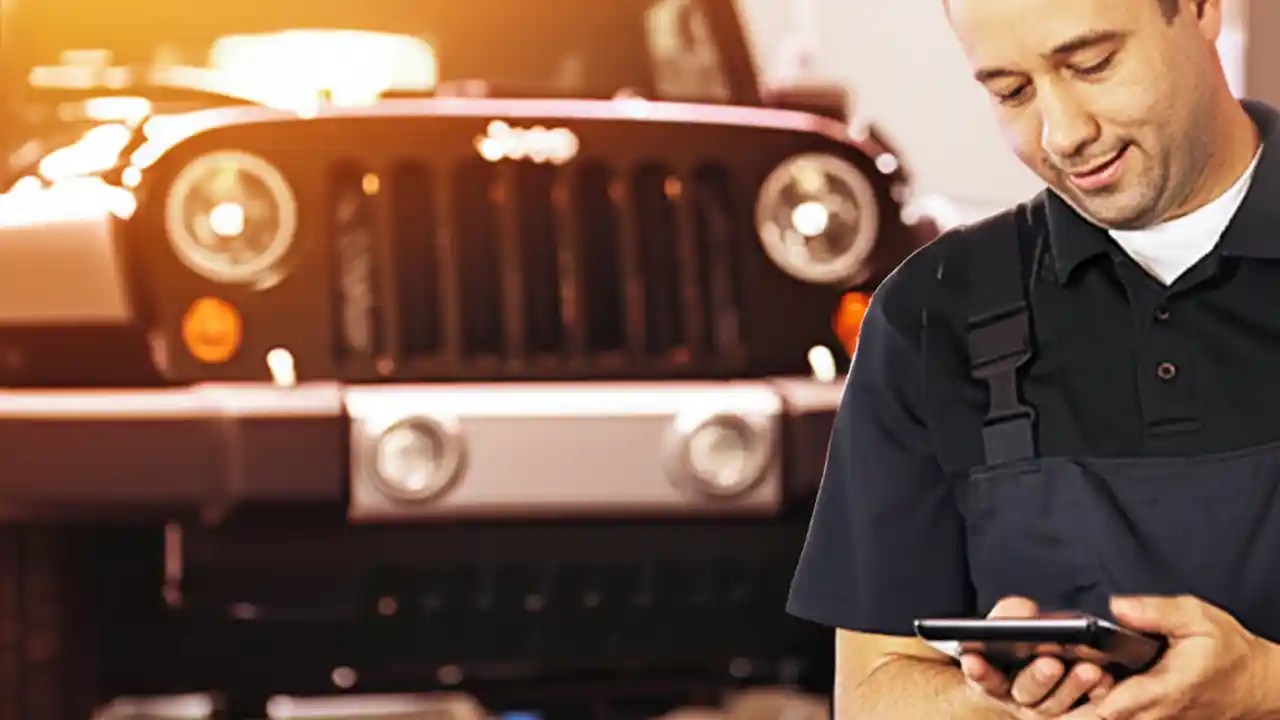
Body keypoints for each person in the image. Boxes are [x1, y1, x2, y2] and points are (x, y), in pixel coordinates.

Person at [785, 0, 1280, 717]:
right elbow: (872, 693)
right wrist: (1023, 701)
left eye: (1093, 64)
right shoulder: (931, 314)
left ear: (1202, 9)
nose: (1063, 133)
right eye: (1012, 91)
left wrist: (1262, 686)